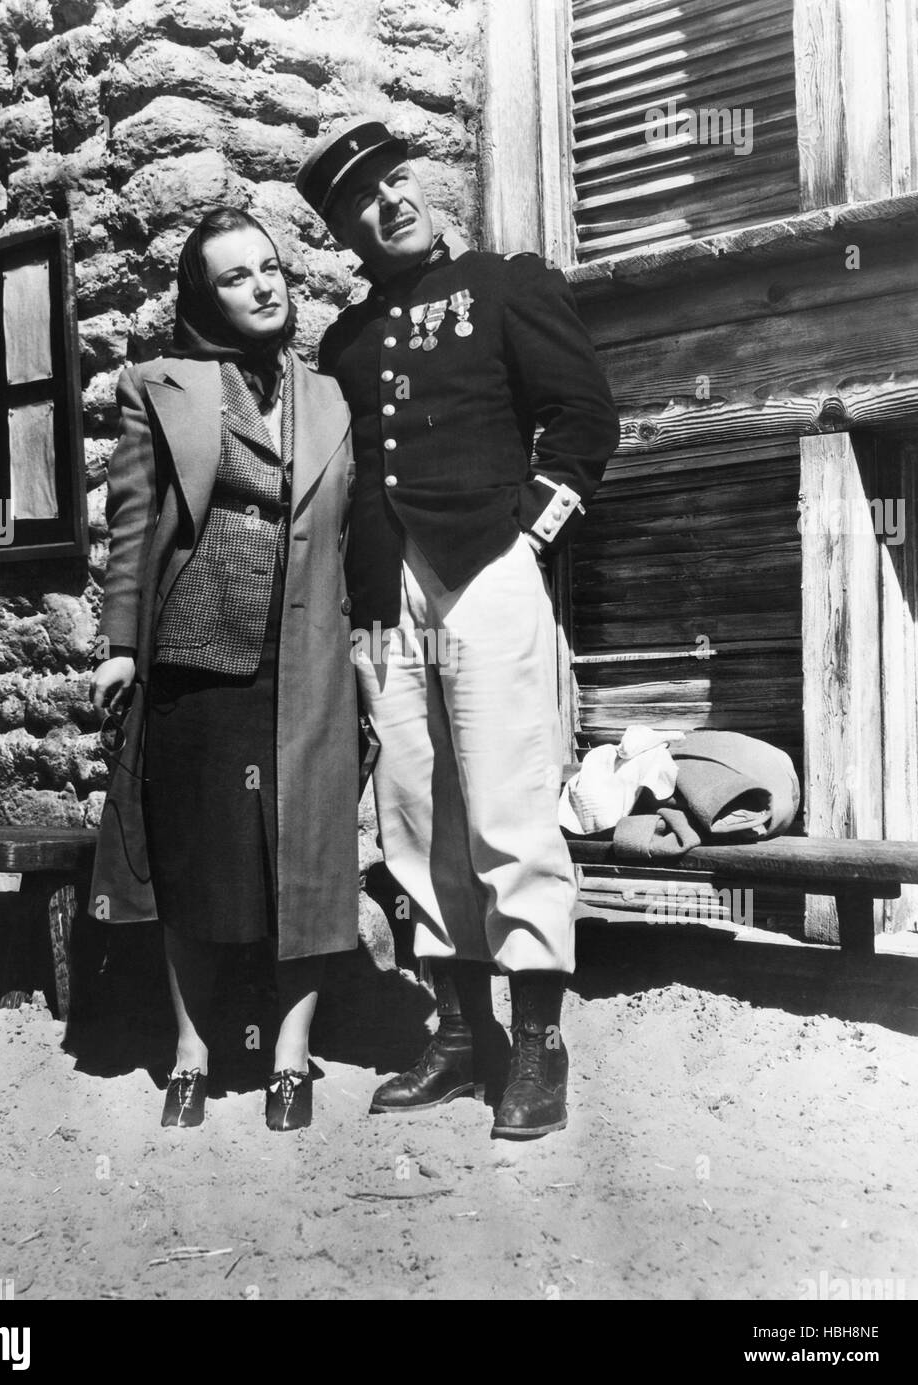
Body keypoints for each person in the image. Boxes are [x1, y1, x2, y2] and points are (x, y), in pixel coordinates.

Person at [296, 120, 620, 1141]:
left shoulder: (504, 285)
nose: (392, 203)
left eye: (398, 182)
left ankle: (535, 1040)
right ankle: (453, 1029)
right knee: (412, 811)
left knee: (510, 799)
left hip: (488, 568)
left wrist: (531, 533)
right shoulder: (341, 346)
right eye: (365, 202)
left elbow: (584, 418)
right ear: (346, 233)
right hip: (387, 588)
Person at [88, 207, 359, 1132]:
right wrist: (121, 646)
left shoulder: (330, 397)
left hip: (310, 652)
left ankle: (290, 1060)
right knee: (197, 856)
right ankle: (193, 1053)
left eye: (271, 267)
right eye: (237, 277)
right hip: (196, 656)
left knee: (308, 853)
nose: (264, 285)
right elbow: (131, 526)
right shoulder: (158, 385)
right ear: (205, 297)